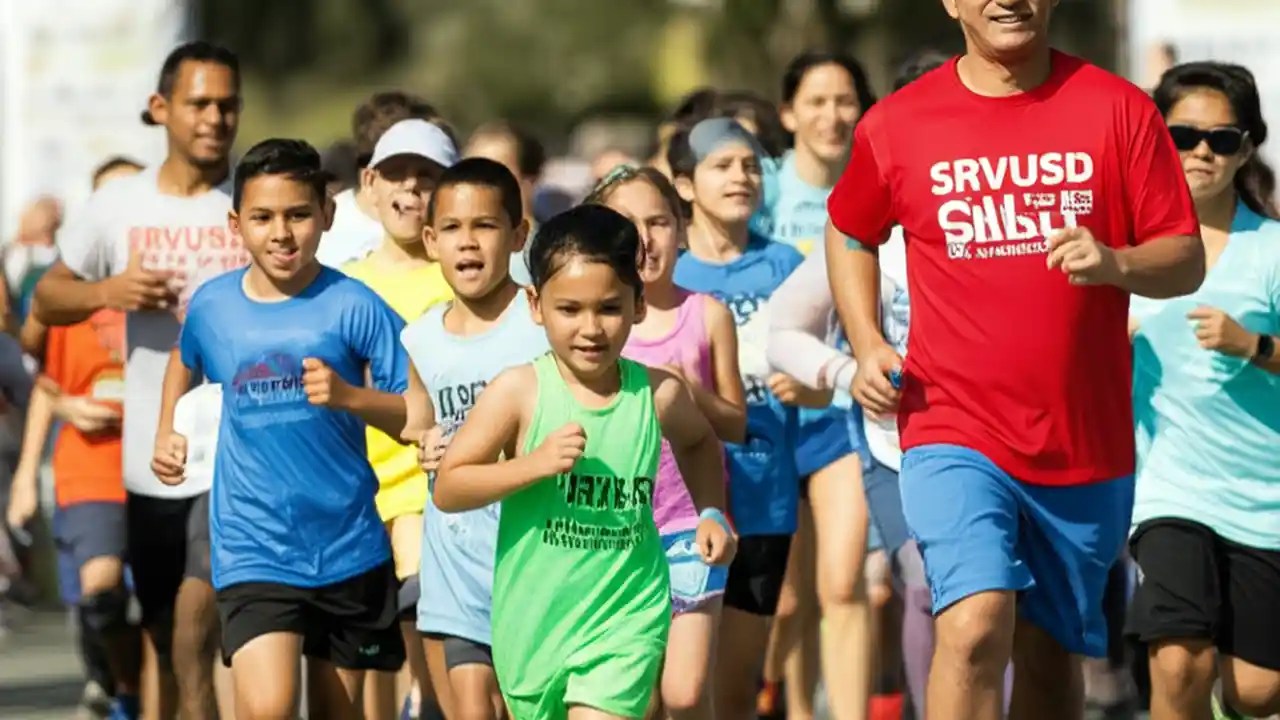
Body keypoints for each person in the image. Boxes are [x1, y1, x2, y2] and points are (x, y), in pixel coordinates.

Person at [825, 2, 1207, 718]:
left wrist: (1118, 260)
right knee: (972, 626)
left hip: (1082, 442)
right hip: (952, 427)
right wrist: (867, 339)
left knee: (1048, 656)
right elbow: (849, 230)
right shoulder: (900, 123)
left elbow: (1183, 256)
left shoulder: (1117, 108)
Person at [433, 204, 737, 720]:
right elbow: (449, 486)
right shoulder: (519, 392)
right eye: (569, 309)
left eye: (610, 308)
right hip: (534, 623)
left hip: (627, 615)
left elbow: (700, 444)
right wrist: (532, 465)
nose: (591, 328)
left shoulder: (658, 393)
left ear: (639, 305)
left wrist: (711, 510)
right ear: (535, 305)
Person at [151, 138, 411, 719]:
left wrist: (351, 397)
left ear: (327, 214)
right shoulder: (214, 306)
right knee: (267, 708)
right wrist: (168, 429)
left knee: (335, 712)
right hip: (253, 544)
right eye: (263, 217)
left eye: (298, 214)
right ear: (235, 223)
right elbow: (182, 358)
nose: (282, 233)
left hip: (348, 544)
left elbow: (412, 417)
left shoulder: (355, 305)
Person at [33, 40, 248, 720]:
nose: (215, 118)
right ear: (161, 109)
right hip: (149, 458)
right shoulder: (117, 205)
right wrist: (112, 289)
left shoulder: (256, 200)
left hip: (242, 454)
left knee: (198, 618)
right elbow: (46, 302)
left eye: (228, 104)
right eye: (199, 103)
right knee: (166, 633)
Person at [1127, 61, 1280, 720]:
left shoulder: (1271, 249)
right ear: (1158, 137)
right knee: (1181, 656)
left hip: (1263, 494)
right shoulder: (1124, 247)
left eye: (1222, 140)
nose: (1201, 153)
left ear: (1246, 149)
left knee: (1256, 691)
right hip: (1169, 488)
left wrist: (1255, 346)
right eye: (1184, 134)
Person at [666, 117, 815, 720]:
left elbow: (824, 371)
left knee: (735, 687)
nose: (741, 177)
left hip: (763, 490)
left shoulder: (787, 264)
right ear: (684, 184)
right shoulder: (666, 274)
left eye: (751, 165)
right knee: (675, 688)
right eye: (722, 166)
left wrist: (808, 386)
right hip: (676, 502)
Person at [588, 164, 748, 720]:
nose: (645, 238)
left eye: (658, 222)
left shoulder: (706, 315)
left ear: (681, 229)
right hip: (615, 529)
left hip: (690, 524)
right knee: (639, 697)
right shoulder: (594, 323)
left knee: (684, 693)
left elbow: (735, 424)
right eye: (627, 224)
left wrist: (692, 392)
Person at [751, 49, 879, 720]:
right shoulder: (760, 189)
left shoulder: (879, 182)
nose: (832, 115)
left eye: (846, 100)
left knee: (843, 583)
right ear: (788, 113)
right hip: (765, 418)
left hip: (841, 411)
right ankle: (795, 708)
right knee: (789, 598)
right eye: (817, 101)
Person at [405, 157, 542, 720]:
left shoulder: (541, 319)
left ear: (517, 235)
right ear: (432, 240)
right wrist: (426, 447)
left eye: (485, 226)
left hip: (536, 560)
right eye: (454, 229)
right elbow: (420, 424)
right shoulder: (421, 338)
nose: (469, 243)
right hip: (455, 568)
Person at [342, 117, 458, 720]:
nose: (411, 189)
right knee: (370, 662)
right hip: (355, 495)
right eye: (397, 174)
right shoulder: (342, 284)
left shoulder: (468, 277)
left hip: (435, 487)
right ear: (369, 183)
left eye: (429, 176)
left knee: (420, 618)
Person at [7, 304, 137, 719]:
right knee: (99, 589)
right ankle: (116, 684)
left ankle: (139, 689)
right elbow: (46, 389)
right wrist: (25, 477)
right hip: (91, 471)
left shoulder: (173, 299)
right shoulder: (70, 302)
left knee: (165, 611)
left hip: (164, 470)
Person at [317, 91, 454, 269]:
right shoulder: (325, 232)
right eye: (396, 171)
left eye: (426, 174)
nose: (411, 183)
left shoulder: (462, 276)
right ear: (369, 179)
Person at [463, 121, 547, 285]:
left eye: (494, 171)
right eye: (470, 170)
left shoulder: (549, 254)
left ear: (530, 178)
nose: (479, 181)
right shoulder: (456, 250)